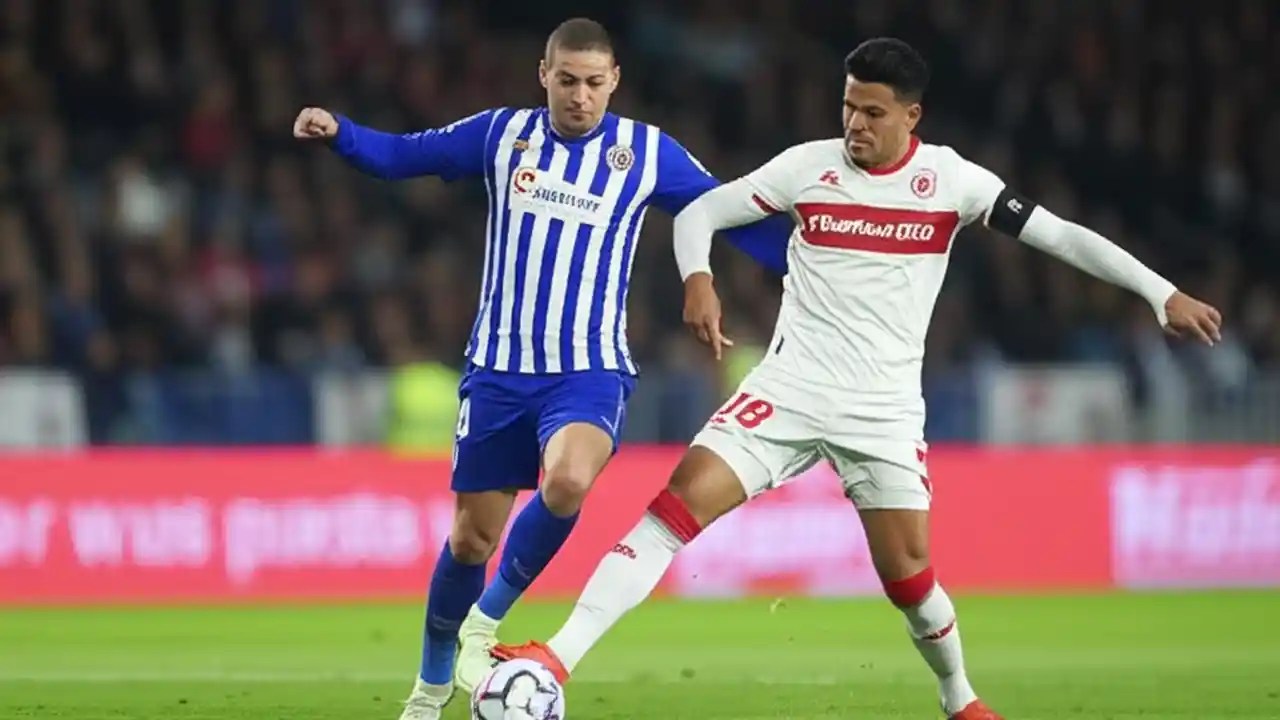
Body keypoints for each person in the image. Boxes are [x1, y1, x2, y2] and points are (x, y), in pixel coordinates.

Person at [491, 37, 1224, 720]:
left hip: (884, 411)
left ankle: (960, 699)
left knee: (909, 578)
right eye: (848, 106)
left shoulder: (953, 183)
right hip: (787, 391)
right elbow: (701, 212)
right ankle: (555, 659)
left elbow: (1060, 234)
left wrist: (1162, 293)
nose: (855, 124)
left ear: (912, 116)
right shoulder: (809, 167)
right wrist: (699, 279)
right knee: (673, 511)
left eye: (872, 112)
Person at [293, 17, 792, 720]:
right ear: (544, 75)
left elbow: (732, 219)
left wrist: (820, 256)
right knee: (471, 537)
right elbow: (406, 155)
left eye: (594, 83)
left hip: (589, 370)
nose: (581, 97)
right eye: (567, 81)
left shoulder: (648, 153)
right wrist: (340, 132)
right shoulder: (502, 136)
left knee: (567, 479)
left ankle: (484, 621)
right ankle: (432, 688)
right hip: (498, 371)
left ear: (614, 80)